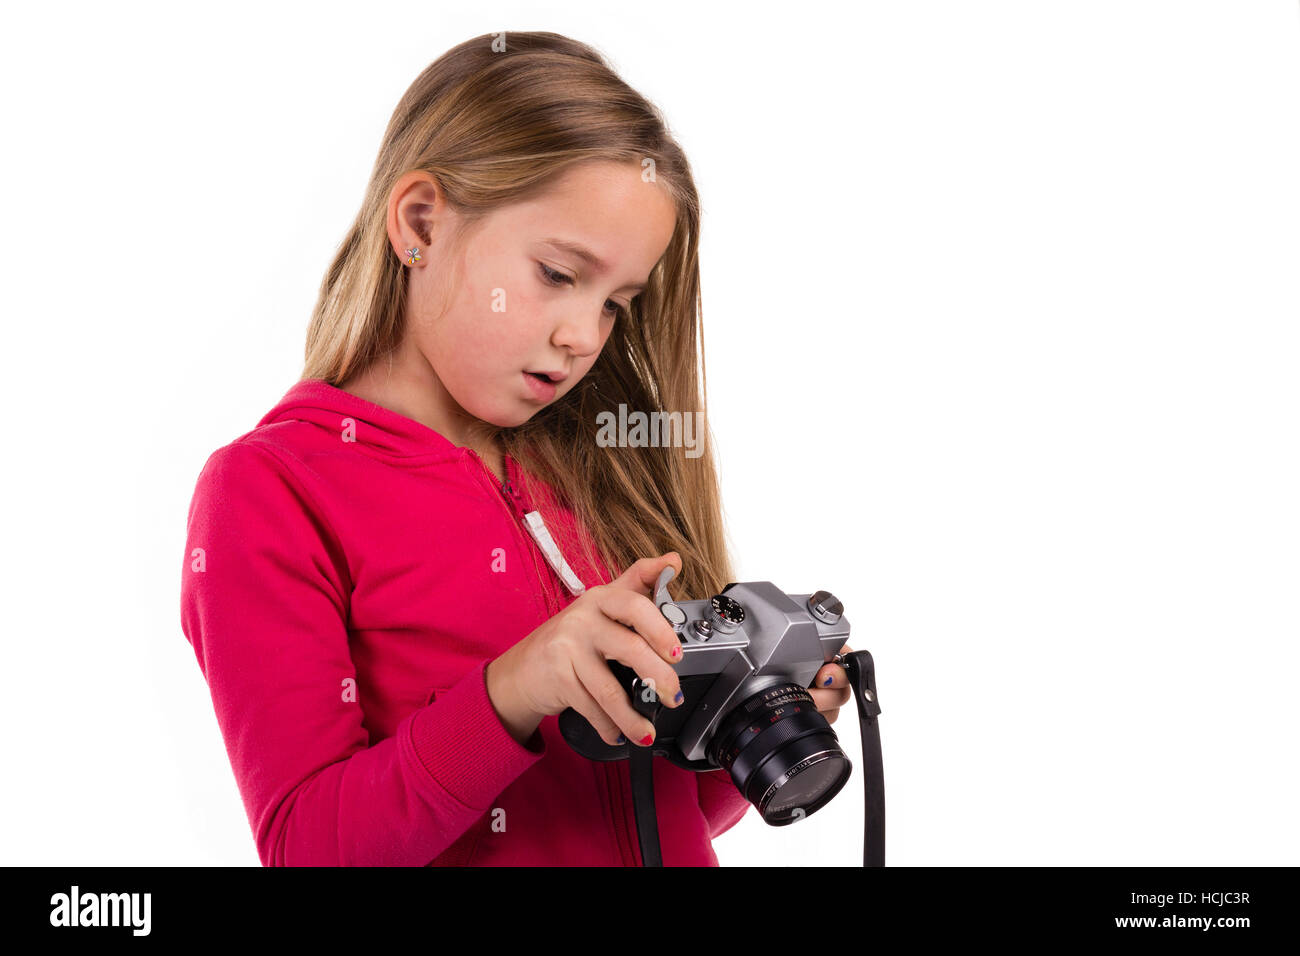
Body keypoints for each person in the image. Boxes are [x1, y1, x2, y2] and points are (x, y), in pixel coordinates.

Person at [180, 30, 852, 866]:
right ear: (420, 222)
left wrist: (764, 716)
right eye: (560, 275)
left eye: (617, 303)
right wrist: (512, 691)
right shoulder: (271, 491)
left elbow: (661, 818)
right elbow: (310, 848)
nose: (583, 337)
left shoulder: (600, 462)